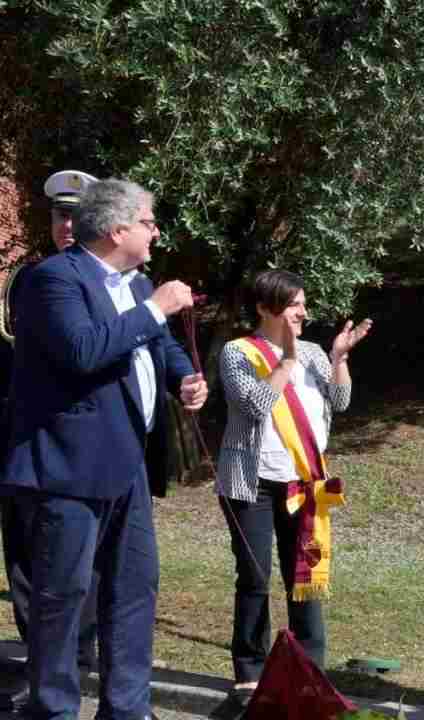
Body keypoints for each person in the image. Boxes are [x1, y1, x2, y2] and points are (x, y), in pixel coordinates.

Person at [1, 177, 208, 719]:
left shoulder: (138, 285)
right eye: (148, 222)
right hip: (66, 467)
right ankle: (53, 709)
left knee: (134, 590)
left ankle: (126, 710)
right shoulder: (53, 279)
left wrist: (184, 379)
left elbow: (161, 346)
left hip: (128, 464)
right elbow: (82, 351)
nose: (155, 232)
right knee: (61, 599)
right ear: (117, 229)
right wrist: (156, 309)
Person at [215, 269, 371, 705]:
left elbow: (341, 402)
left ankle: (310, 674)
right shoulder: (238, 352)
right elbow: (254, 405)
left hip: (305, 482)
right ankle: (249, 673)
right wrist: (284, 361)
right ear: (265, 308)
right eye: (293, 304)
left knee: (305, 578)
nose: (303, 312)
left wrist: (338, 359)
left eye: (303, 303)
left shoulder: (314, 352)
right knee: (254, 576)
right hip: (252, 484)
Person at [0, 171, 102, 711]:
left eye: (77, 217)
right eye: (60, 216)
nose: (67, 226)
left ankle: (73, 663)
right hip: (22, 437)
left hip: (77, 442)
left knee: (75, 561)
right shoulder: (28, 278)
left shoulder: (110, 282)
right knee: (22, 557)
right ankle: (41, 665)